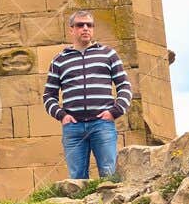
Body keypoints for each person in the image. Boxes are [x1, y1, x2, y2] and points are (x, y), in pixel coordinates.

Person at [42, 10, 132, 180]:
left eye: (89, 25)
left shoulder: (108, 54)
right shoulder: (59, 60)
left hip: (102, 125)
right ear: (71, 30)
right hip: (73, 127)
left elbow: (125, 86)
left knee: (109, 176)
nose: (85, 28)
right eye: (80, 25)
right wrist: (62, 116)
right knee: (76, 179)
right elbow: (48, 95)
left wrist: (115, 111)